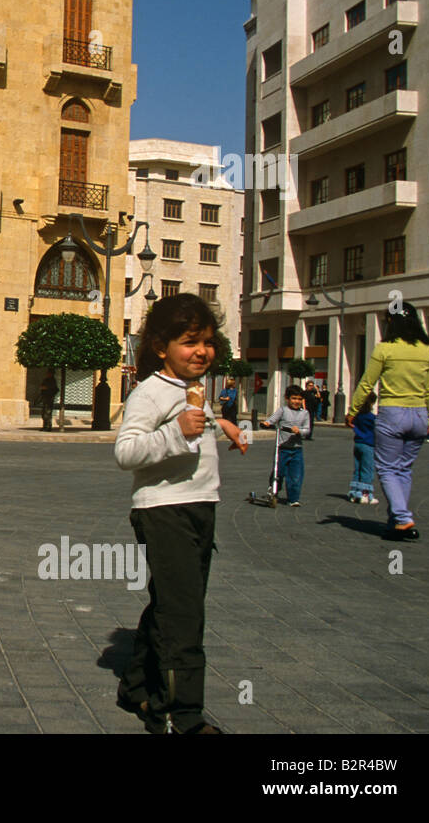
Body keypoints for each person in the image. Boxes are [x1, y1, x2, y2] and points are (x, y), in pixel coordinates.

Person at [114, 294, 247, 735]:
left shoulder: (192, 390)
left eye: (207, 342)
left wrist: (220, 423)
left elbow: (197, 419)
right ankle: (179, 714)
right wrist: (174, 432)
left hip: (199, 507)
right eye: (190, 342)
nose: (202, 351)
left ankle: (135, 686)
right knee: (184, 616)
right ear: (160, 347)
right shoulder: (150, 392)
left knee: (172, 604)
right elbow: (127, 451)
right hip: (164, 510)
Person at [346, 302, 429, 541]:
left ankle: (403, 518)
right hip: (418, 415)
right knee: (404, 469)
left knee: (387, 468)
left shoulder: (385, 349)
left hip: (393, 414)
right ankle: (394, 524)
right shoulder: (427, 351)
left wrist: (353, 410)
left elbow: (367, 383)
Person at [260, 386, 312, 506]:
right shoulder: (282, 410)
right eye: (293, 398)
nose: (296, 401)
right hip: (282, 448)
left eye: (299, 399)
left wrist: (299, 431)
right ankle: (273, 491)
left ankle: (293, 499)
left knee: (296, 475)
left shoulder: (304, 413)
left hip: (296, 449)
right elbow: (272, 420)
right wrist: (266, 423)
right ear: (287, 398)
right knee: (278, 472)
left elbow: (307, 430)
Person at [347, 392, 378, 505]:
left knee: (358, 469)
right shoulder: (371, 418)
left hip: (358, 443)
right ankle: (365, 494)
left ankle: (354, 493)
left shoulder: (357, 416)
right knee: (367, 470)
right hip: (368, 444)